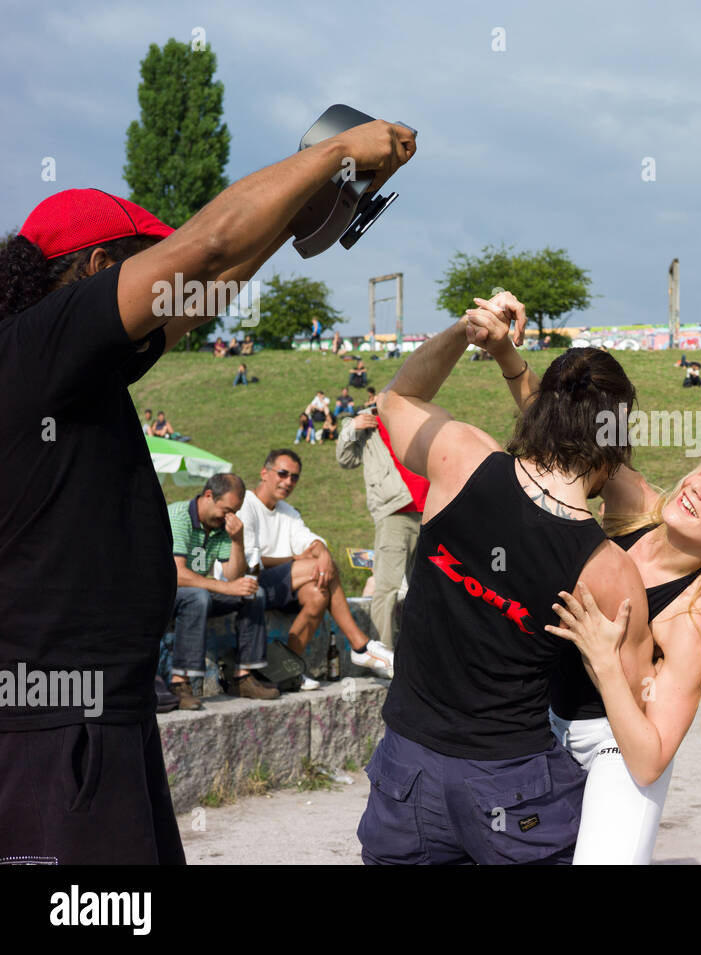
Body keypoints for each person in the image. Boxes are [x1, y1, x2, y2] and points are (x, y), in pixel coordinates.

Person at [0, 121, 413, 865]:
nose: (160, 288)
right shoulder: (41, 343)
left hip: (92, 720)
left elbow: (197, 287)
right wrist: (330, 155)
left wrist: (303, 208)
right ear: (96, 268)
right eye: (139, 264)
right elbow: (208, 247)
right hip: (57, 735)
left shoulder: (61, 367)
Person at [470, 291, 701, 864]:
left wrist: (607, 663)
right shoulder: (638, 503)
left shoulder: (692, 617)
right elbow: (565, 433)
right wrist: (509, 354)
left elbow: (650, 756)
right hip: (542, 721)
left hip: (613, 747)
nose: (697, 486)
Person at [357, 295, 653, 866]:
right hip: (514, 787)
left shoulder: (461, 458)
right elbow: (635, 715)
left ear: (539, 414)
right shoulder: (609, 570)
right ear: (613, 446)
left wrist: (469, 332)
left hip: (407, 770)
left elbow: (398, 398)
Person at [235, 450, 395, 686]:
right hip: (248, 584)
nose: (288, 481)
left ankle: (290, 667)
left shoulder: (287, 512)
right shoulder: (245, 504)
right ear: (264, 473)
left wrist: (323, 553)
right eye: (283, 474)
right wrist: (296, 559)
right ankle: (360, 644)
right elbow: (249, 560)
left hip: (282, 586)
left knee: (318, 594)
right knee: (314, 566)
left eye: (294, 477)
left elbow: (311, 540)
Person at [167, 473, 279, 709]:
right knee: (198, 596)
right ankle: (180, 683)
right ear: (208, 495)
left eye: (235, 512)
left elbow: (233, 576)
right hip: (164, 593)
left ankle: (243, 677)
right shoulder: (178, 517)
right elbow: (175, 574)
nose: (230, 517)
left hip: (199, 591)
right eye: (227, 510)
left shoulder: (221, 527)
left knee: (252, 592)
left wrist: (237, 541)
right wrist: (224, 587)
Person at [336, 403, 431, 650]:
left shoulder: (416, 420)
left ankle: (421, 655)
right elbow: (345, 459)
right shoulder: (369, 423)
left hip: (429, 511)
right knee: (387, 587)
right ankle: (384, 655)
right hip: (395, 510)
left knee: (426, 589)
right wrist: (352, 427)